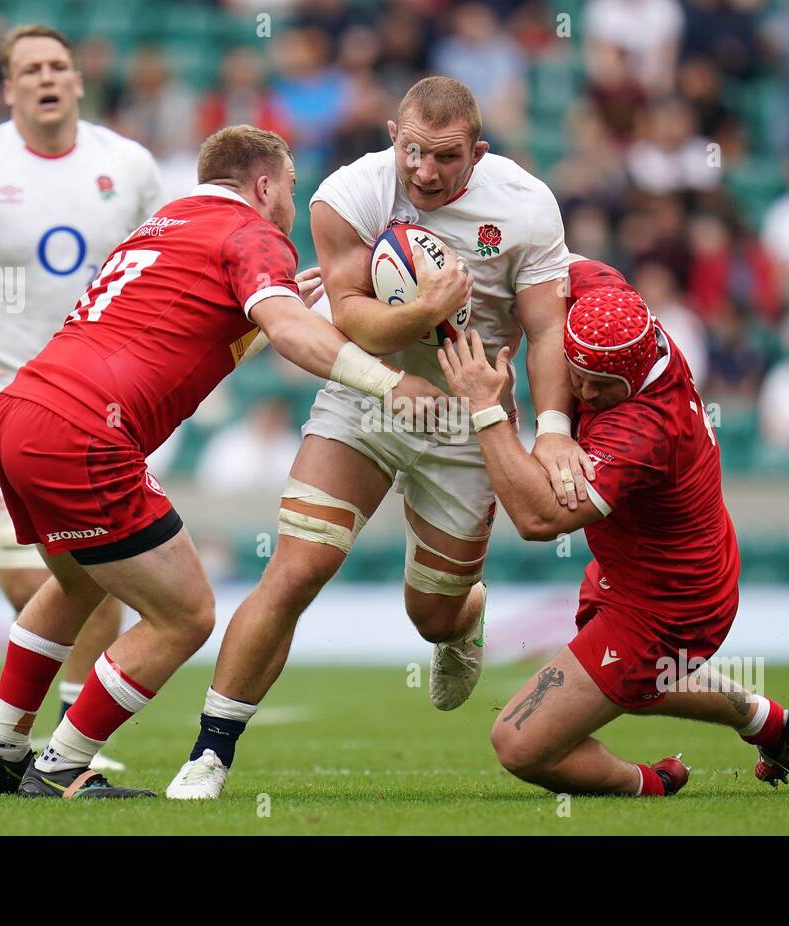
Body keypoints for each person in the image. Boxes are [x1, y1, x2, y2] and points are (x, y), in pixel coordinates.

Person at [0, 124, 446, 799]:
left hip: (20, 414)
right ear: (265, 184)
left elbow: (181, 333)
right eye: (289, 193)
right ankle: (62, 763)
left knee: (78, 582)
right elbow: (288, 335)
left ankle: (1, 748)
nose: (289, 209)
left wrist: (270, 310)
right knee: (185, 614)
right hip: (84, 432)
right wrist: (392, 382)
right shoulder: (253, 235)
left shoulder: (164, 222)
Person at [166, 76, 586, 801]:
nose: (424, 170)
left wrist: (553, 431)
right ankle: (210, 753)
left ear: (477, 152)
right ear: (394, 132)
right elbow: (352, 318)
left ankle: (465, 618)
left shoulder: (524, 206)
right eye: (413, 150)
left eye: (446, 158)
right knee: (296, 571)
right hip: (368, 397)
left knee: (430, 614)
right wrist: (425, 307)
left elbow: (548, 327)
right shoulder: (349, 191)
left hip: (467, 417)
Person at [438, 256, 789, 796]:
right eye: (580, 378)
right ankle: (773, 723)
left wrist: (486, 409)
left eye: (602, 387)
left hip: (668, 605)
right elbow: (545, 256)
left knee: (520, 743)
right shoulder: (617, 309)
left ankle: (650, 783)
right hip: (661, 568)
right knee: (634, 682)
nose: (587, 394)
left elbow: (537, 518)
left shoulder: (642, 431)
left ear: (633, 374)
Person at [0, 25, 164, 771]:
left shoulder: (129, 165)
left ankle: (66, 739)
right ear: (9, 85)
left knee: (100, 565)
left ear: (79, 79)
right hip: (6, 405)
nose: (46, 78)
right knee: (38, 577)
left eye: (58, 66)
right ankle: (51, 731)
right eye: (29, 69)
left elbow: (165, 258)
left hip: (106, 407)